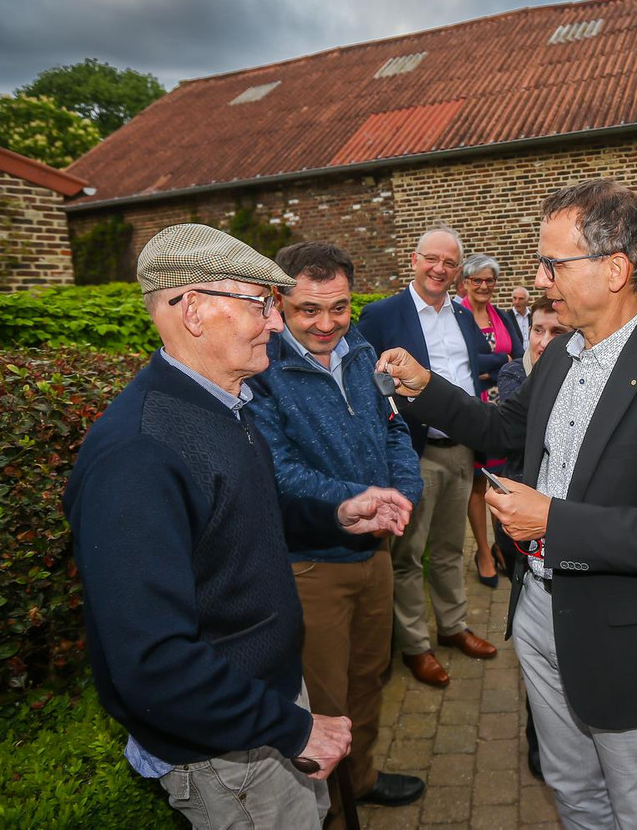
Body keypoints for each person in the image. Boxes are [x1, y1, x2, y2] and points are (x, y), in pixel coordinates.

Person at [377, 179, 637, 829]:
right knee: (569, 782)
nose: (539, 280)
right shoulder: (561, 355)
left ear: (615, 268)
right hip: (535, 611)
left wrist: (554, 522)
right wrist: (426, 388)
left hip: (617, 632)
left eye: (552, 264)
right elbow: (500, 430)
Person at [65, 223, 411, 829]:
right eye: (260, 304)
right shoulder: (139, 455)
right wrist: (292, 727)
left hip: (261, 707)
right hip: (228, 748)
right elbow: (151, 662)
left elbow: (243, 517)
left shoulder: (224, 405)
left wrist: (334, 512)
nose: (276, 325)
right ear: (192, 310)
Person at [247, 241, 427, 823]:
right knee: (323, 704)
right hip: (311, 565)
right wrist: (352, 502)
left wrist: (403, 495)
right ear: (278, 303)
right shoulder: (262, 369)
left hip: (375, 556)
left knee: (370, 679)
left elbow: (396, 430)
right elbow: (276, 469)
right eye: (308, 311)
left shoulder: (363, 349)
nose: (326, 324)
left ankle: (363, 778)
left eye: (340, 308)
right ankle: (322, 808)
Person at [356, 223, 499, 688]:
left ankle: (454, 626)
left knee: (449, 549)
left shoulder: (462, 315)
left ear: (458, 270)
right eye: (431, 259)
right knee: (408, 554)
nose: (439, 268)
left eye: (449, 262)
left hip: (459, 450)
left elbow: (476, 373)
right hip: (412, 452)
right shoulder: (381, 315)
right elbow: (365, 383)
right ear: (415, 260)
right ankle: (416, 645)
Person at [494, 294, 572, 782]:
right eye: (536, 331)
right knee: (537, 655)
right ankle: (539, 738)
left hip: (568, 539)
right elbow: (503, 429)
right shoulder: (517, 378)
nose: (543, 342)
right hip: (522, 538)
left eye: (554, 332)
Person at [459, 253, 524, 588]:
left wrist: (494, 363)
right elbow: (466, 361)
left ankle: (505, 544)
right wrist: (501, 360)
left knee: (502, 477)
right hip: (473, 408)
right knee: (477, 482)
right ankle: (484, 551)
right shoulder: (458, 314)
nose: (484, 286)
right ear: (465, 282)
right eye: (477, 280)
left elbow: (520, 353)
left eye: (489, 280)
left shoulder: (501, 314)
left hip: (504, 408)